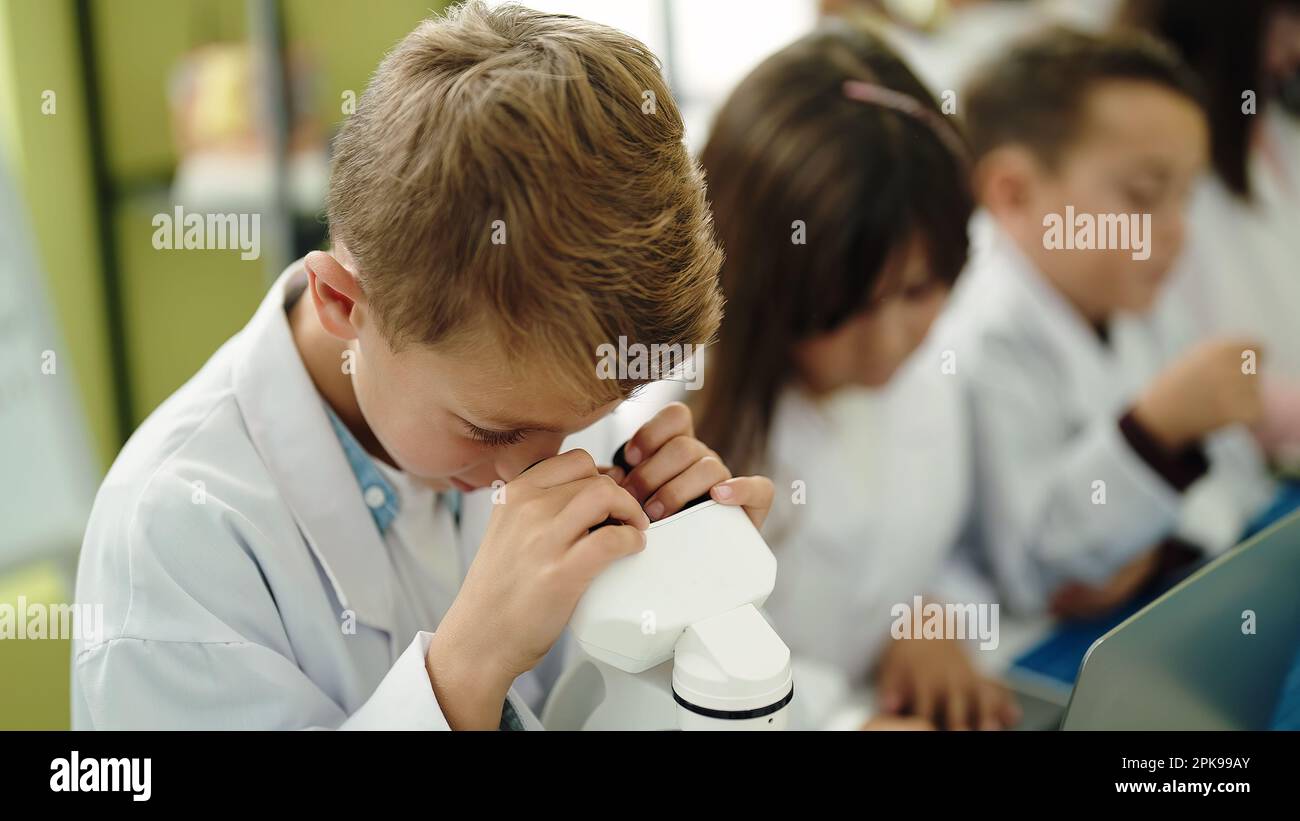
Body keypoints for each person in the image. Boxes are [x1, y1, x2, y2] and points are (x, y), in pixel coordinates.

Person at [72, 1, 773, 730]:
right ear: (343, 303)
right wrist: (464, 670)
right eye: (491, 433)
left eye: (580, 426)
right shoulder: (174, 543)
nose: (535, 473)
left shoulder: (525, 392)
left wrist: (684, 609)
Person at [693, 21, 1019, 730]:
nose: (890, 344)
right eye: (845, 310)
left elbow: (942, 553)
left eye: (919, 291)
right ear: (760, 280)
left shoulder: (932, 379)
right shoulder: (676, 435)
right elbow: (674, 671)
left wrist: (929, 614)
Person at [939, 27, 1275, 619]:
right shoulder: (983, 334)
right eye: (1145, 196)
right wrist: (1155, 429)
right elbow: (1044, 574)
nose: (1177, 230)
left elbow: (1238, 481)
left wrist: (1152, 547)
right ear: (1014, 194)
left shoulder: (1137, 302)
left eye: (1185, 197)